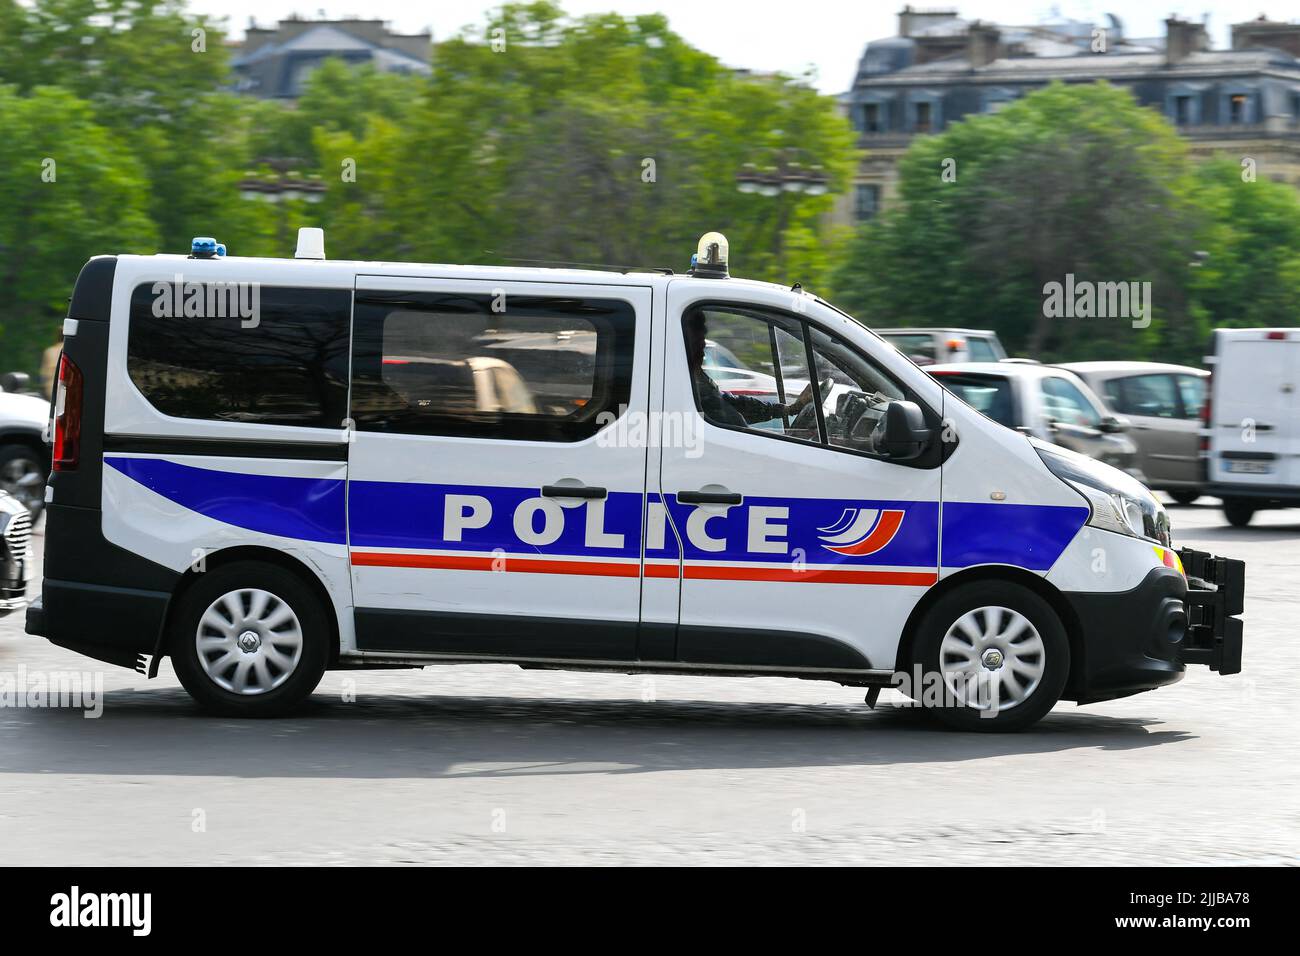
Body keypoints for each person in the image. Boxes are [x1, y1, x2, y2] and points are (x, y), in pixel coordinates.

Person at [684, 312, 816, 428]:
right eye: (697, 339)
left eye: (702, 338)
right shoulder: (685, 387)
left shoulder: (699, 382)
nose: (703, 346)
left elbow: (734, 403)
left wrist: (790, 409)